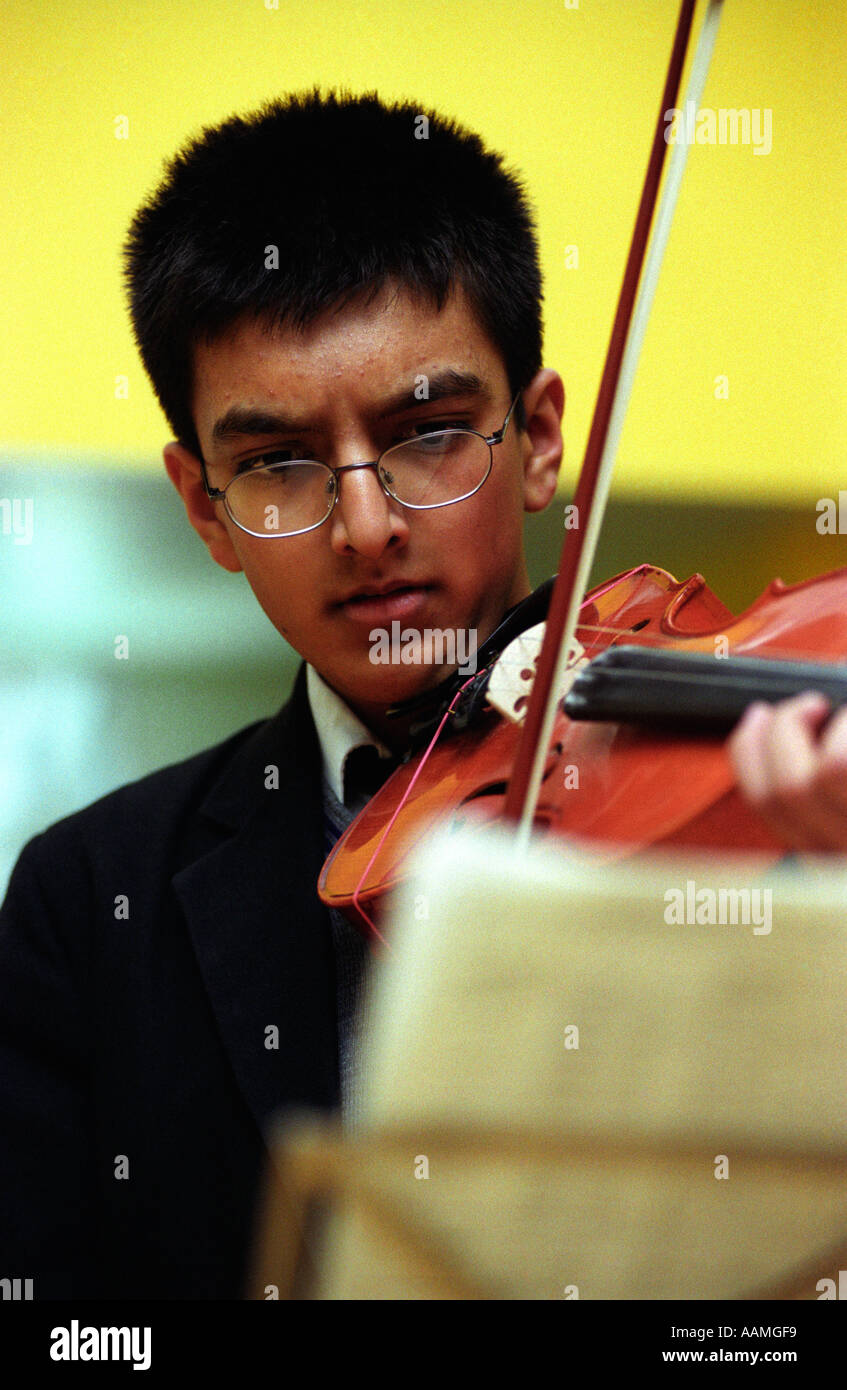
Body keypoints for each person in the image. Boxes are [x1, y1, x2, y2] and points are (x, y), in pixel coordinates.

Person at [0, 89, 844, 1303]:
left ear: (542, 437)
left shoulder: (756, 796)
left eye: (431, 432)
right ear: (204, 507)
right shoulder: (89, 898)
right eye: (277, 463)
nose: (363, 524)